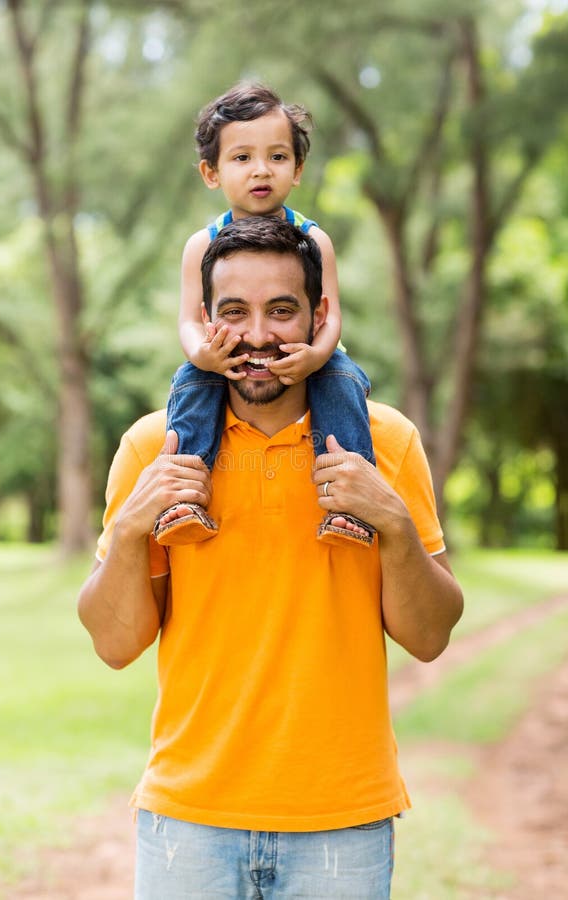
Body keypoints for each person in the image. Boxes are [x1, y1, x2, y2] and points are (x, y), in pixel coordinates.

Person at [78, 216, 463, 899]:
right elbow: (113, 643)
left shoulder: (386, 443)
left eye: (280, 311)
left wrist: (395, 524)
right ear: (203, 319)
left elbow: (430, 636)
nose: (257, 335)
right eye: (234, 312)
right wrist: (135, 524)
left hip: (343, 820)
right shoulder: (155, 449)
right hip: (188, 821)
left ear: (319, 318)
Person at [154, 82, 376, 550]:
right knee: (191, 382)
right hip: (227, 353)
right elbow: (189, 321)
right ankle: (184, 495)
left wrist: (316, 356)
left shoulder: (314, 240)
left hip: (308, 350)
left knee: (344, 380)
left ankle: (350, 501)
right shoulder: (202, 244)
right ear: (210, 173)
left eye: (277, 157)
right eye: (242, 158)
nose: (261, 170)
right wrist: (204, 355)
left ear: (297, 170)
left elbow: (331, 316)